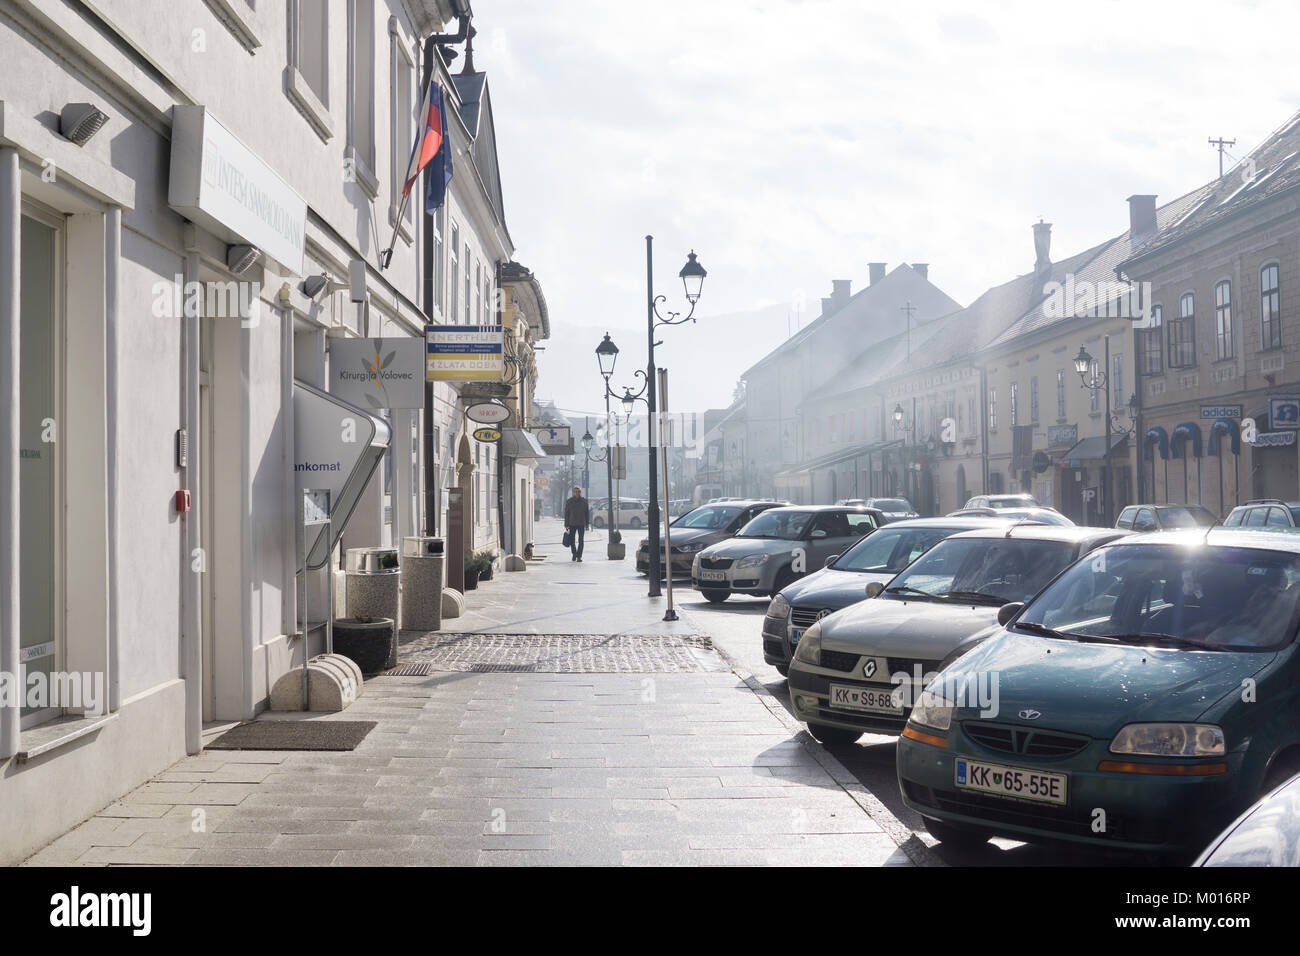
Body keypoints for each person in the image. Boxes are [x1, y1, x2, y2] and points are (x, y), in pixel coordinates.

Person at [563, 486, 589, 561]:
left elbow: (587, 513)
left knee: (581, 540)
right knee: (572, 540)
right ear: (573, 492)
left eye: (578, 492)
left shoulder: (584, 501)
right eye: (575, 492)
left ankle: (579, 556)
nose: (577, 493)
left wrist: (587, 523)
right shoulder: (569, 501)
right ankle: (574, 554)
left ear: (580, 492)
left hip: (581, 523)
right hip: (572, 523)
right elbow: (566, 513)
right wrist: (566, 524)